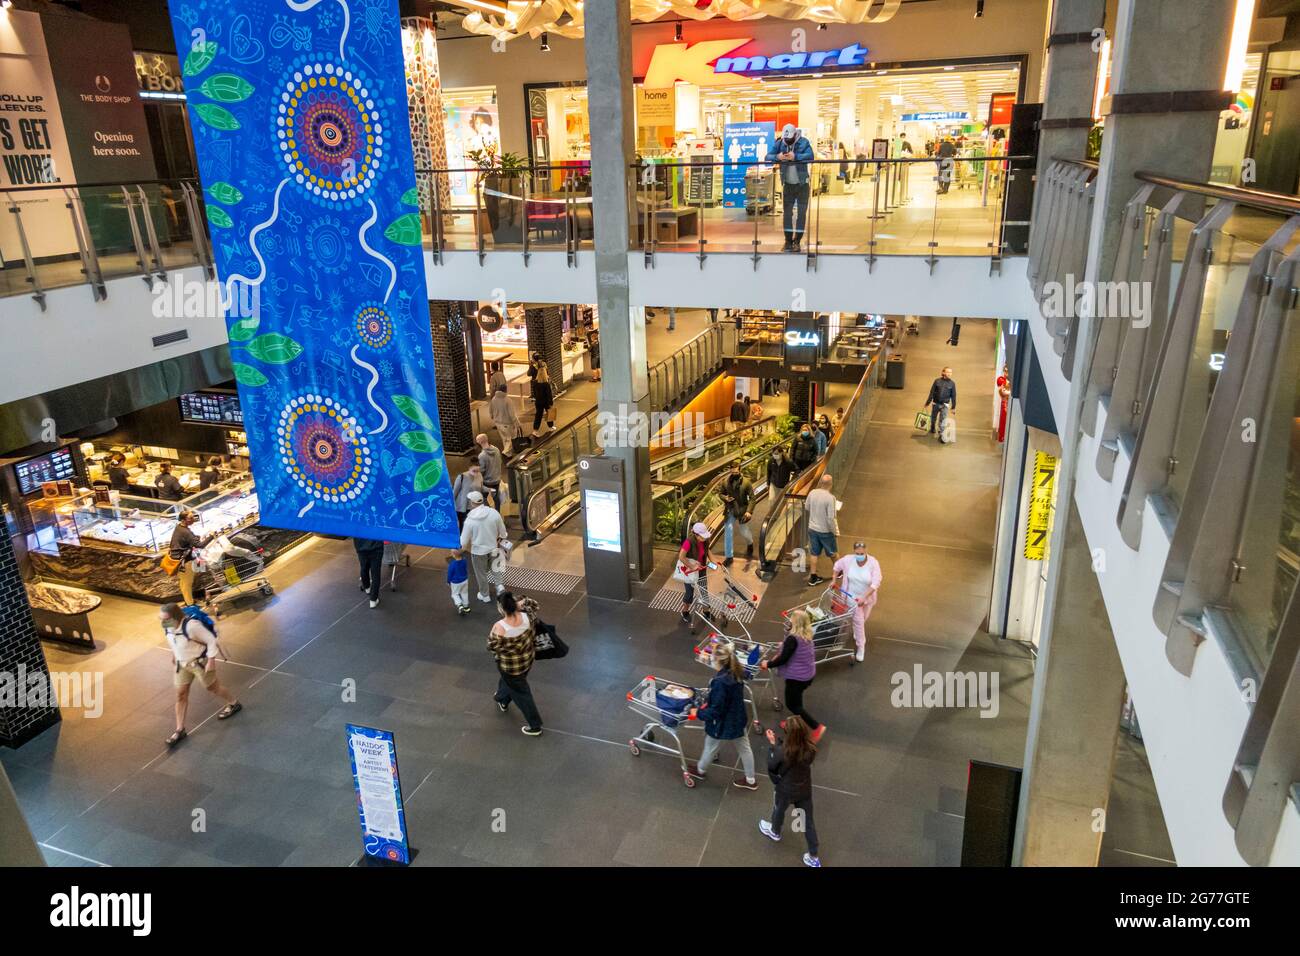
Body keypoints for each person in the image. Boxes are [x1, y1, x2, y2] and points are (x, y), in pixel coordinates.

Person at [160, 602, 241, 747]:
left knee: (213, 688)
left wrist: (211, 661)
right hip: (182, 665)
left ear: (175, 616)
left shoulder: (192, 626)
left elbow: (211, 640)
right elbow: (173, 640)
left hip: (199, 663)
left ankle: (233, 703)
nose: (163, 622)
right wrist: (175, 654)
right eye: (161, 618)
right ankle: (180, 730)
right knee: (180, 694)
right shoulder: (167, 626)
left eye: (166, 618)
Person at [688, 642, 758, 790]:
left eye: (712, 658)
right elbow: (748, 674)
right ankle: (751, 780)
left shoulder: (720, 683)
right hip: (738, 718)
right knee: (745, 748)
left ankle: (700, 770)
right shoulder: (736, 670)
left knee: (710, 745)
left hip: (721, 724)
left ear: (718, 661)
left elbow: (716, 711)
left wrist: (698, 712)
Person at [758, 716, 821, 867]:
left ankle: (775, 831)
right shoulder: (811, 749)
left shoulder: (782, 751)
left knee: (779, 810)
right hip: (804, 789)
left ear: (788, 733)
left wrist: (773, 745)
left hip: (785, 790)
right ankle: (813, 856)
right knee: (808, 822)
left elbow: (773, 765)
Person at [760, 609, 824, 740]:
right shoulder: (807, 635)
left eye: (791, 620)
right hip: (808, 674)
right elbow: (794, 649)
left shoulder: (792, 639)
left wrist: (768, 664)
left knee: (792, 705)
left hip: (797, 678)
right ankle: (794, 724)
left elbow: (783, 658)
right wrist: (783, 645)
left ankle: (816, 727)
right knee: (797, 700)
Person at [488, 590, 543, 736]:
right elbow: (535, 605)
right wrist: (523, 603)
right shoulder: (528, 615)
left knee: (522, 693)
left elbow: (492, 646)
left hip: (510, 666)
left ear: (501, 608)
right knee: (512, 683)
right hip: (527, 659)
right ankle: (502, 699)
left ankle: (535, 725)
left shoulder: (500, 626)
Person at [765, 123, 814, 252]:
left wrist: (796, 157)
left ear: (794, 135)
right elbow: (767, 156)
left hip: (803, 184)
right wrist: (777, 157)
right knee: (787, 214)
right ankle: (788, 241)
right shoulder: (780, 142)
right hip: (787, 184)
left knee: (801, 214)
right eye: (785, 139)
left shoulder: (804, 142)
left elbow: (810, 156)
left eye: (789, 139)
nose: (787, 142)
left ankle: (797, 241)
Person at [831, 540, 882, 662]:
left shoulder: (873, 563)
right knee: (859, 622)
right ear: (854, 552)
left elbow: (876, 581)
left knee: (863, 619)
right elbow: (836, 566)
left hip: (867, 598)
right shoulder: (848, 560)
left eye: (862, 553)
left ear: (866, 551)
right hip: (852, 598)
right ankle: (861, 647)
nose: (860, 556)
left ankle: (858, 631)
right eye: (857, 553)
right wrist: (833, 579)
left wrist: (864, 597)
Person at [460, 490, 509, 603]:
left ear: (472, 503)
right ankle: (499, 587)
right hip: (494, 547)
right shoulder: (494, 513)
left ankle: (485, 595)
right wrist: (503, 536)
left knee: (481, 573)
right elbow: (503, 531)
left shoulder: (470, 520)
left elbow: (463, 541)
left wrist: (457, 549)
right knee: (496, 568)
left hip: (478, 552)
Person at [805, 474, 839, 587]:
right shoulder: (831, 498)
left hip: (812, 528)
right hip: (825, 531)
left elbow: (807, 507)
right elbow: (830, 518)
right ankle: (839, 571)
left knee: (814, 553)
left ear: (821, 483)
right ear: (831, 484)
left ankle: (813, 577)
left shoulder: (812, 492)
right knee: (833, 552)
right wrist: (834, 531)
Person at [168, 510, 208, 606]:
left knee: (185, 583)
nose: (193, 519)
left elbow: (188, 541)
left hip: (181, 559)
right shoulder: (185, 531)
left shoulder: (179, 528)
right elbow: (200, 545)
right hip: (184, 562)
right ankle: (190, 604)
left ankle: (189, 600)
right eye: (190, 518)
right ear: (183, 520)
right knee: (187, 583)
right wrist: (211, 536)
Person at [677, 521, 713, 625]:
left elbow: (708, 551)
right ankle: (685, 611)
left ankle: (706, 611)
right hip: (690, 571)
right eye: (702, 536)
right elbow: (681, 557)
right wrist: (692, 566)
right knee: (689, 592)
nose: (704, 538)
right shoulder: (689, 541)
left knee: (704, 589)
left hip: (701, 568)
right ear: (696, 535)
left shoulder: (705, 540)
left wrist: (715, 562)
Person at [719, 464, 754, 567]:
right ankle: (729, 557)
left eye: (736, 472)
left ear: (739, 471)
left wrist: (749, 511)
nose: (734, 474)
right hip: (730, 509)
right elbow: (720, 493)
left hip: (742, 511)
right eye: (732, 472)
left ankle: (750, 543)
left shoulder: (746, 483)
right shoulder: (725, 482)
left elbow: (752, 498)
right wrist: (725, 498)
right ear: (730, 471)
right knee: (728, 530)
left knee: (744, 531)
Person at [924, 366, 957, 441]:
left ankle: (942, 434)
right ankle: (932, 427)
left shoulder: (952, 384)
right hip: (936, 404)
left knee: (943, 420)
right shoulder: (937, 381)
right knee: (933, 418)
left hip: (945, 405)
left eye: (950, 372)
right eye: (948, 372)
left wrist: (953, 407)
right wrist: (928, 402)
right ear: (943, 372)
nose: (949, 373)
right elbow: (931, 392)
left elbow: (954, 396)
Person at [488, 382, 524, 451]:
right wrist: (517, 423)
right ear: (505, 390)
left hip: (498, 423)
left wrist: (493, 417)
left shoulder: (494, 399)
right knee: (509, 438)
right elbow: (512, 414)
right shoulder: (508, 400)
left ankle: (507, 452)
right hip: (507, 423)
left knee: (504, 439)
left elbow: (490, 410)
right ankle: (506, 452)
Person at [354, 536, 385, 609]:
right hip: (376, 546)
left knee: (364, 568)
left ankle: (367, 588)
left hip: (360, 545)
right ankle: (373, 600)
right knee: (375, 573)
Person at [476, 434, 504, 511]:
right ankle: (497, 513)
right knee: (496, 497)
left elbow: (482, 470)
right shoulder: (497, 449)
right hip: (496, 479)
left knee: (483, 497)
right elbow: (500, 462)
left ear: (480, 443)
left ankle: (489, 512)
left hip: (487, 482)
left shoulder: (482, 455)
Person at [452, 462, 484, 529]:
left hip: (474, 506)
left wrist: (489, 489)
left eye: (478, 471)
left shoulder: (480, 475)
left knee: (473, 527)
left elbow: (481, 487)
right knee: (463, 527)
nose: (476, 473)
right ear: (469, 468)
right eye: (474, 471)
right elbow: (455, 492)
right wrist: (451, 505)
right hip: (463, 507)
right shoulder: (462, 477)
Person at [531, 361, 556, 436]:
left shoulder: (535, 383)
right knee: (549, 413)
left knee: (538, 415)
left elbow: (534, 393)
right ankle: (551, 427)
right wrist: (551, 403)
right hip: (546, 402)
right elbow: (549, 395)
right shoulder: (546, 384)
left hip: (538, 402)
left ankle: (535, 430)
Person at [448, 548, 470, 616]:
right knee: (464, 593)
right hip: (465, 580)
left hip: (455, 582)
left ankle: (460, 605)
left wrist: (448, 581)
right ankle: (466, 607)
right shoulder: (464, 561)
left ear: (454, 555)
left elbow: (450, 574)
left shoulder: (452, 564)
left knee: (455, 594)